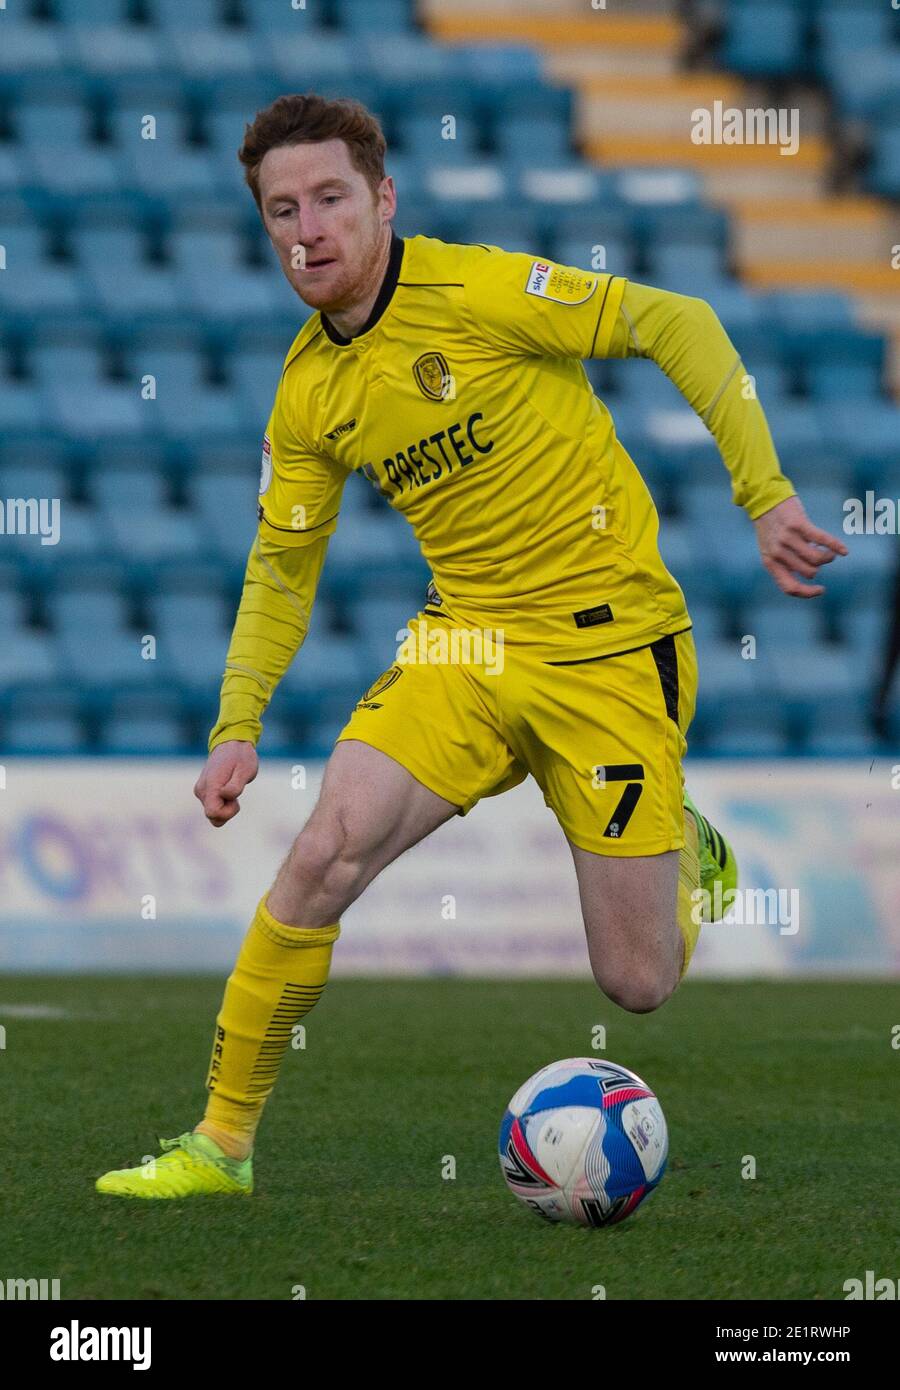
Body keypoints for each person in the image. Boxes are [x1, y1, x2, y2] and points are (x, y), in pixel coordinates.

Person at [96, 94, 846, 1199]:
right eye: (281, 210)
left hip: (608, 645)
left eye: (332, 200)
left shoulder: (479, 290)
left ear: (385, 199)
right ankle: (220, 1148)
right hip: (468, 646)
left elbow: (676, 319)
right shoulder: (310, 394)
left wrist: (765, 494)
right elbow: (282, 565)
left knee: (636, 982)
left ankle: (693, 855)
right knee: (319, 854)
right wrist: (236, 724)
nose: (308, 230)